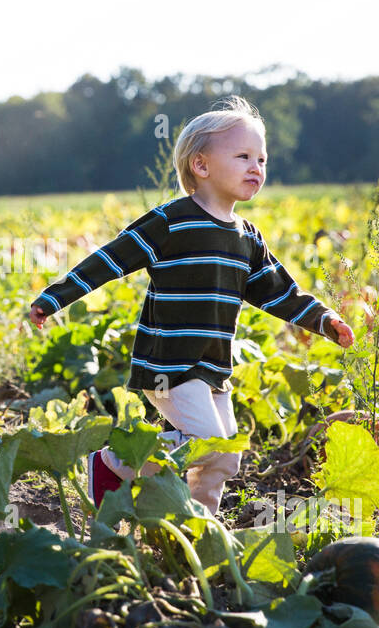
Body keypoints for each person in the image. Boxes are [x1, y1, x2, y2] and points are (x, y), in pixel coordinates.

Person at [26, 97, 355, 514]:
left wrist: (324, 320)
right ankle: (112, 464)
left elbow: (279, 291)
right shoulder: (171, 222)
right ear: (201, 166)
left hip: (213, 366)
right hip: (170, 364)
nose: (257, 167)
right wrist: (56, 297)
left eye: (262, 158)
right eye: (243, 156)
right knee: (205, 444)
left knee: (226, 456)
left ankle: (199, 522)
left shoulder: (247, 237)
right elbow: (110, 259)